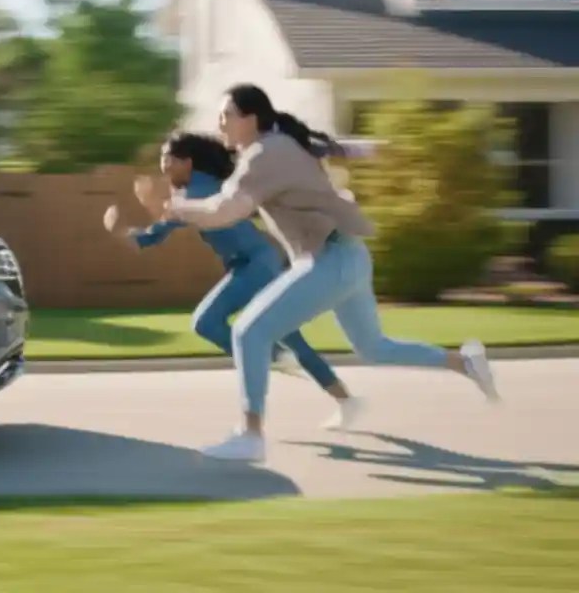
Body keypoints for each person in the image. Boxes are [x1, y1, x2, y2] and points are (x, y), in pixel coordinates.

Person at [163, 83, 498, 462]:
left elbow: (225, 211)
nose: (220, 123)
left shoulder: (263, 154)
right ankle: (466, 363)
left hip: (330, 260)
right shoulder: (281, 143)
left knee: (248, 331)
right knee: (374, 348)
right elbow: (336, 147)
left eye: (226, 115)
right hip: (348, 256)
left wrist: (179, 209)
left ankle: (251, 435)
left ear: (250, 118)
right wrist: (380, 148)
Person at [103, 132, 363, 431]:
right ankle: (346, 400)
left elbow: (151, 237)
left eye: (167, 159)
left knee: (206, 322)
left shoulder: (194, 193)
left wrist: (123, 227)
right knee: (293, 339)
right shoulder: (200, 189)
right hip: (260, 262)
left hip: (254, 266)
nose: (162, 166)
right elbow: (154, 234)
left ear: (186, 162)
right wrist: (134, 224)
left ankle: (271, 358)